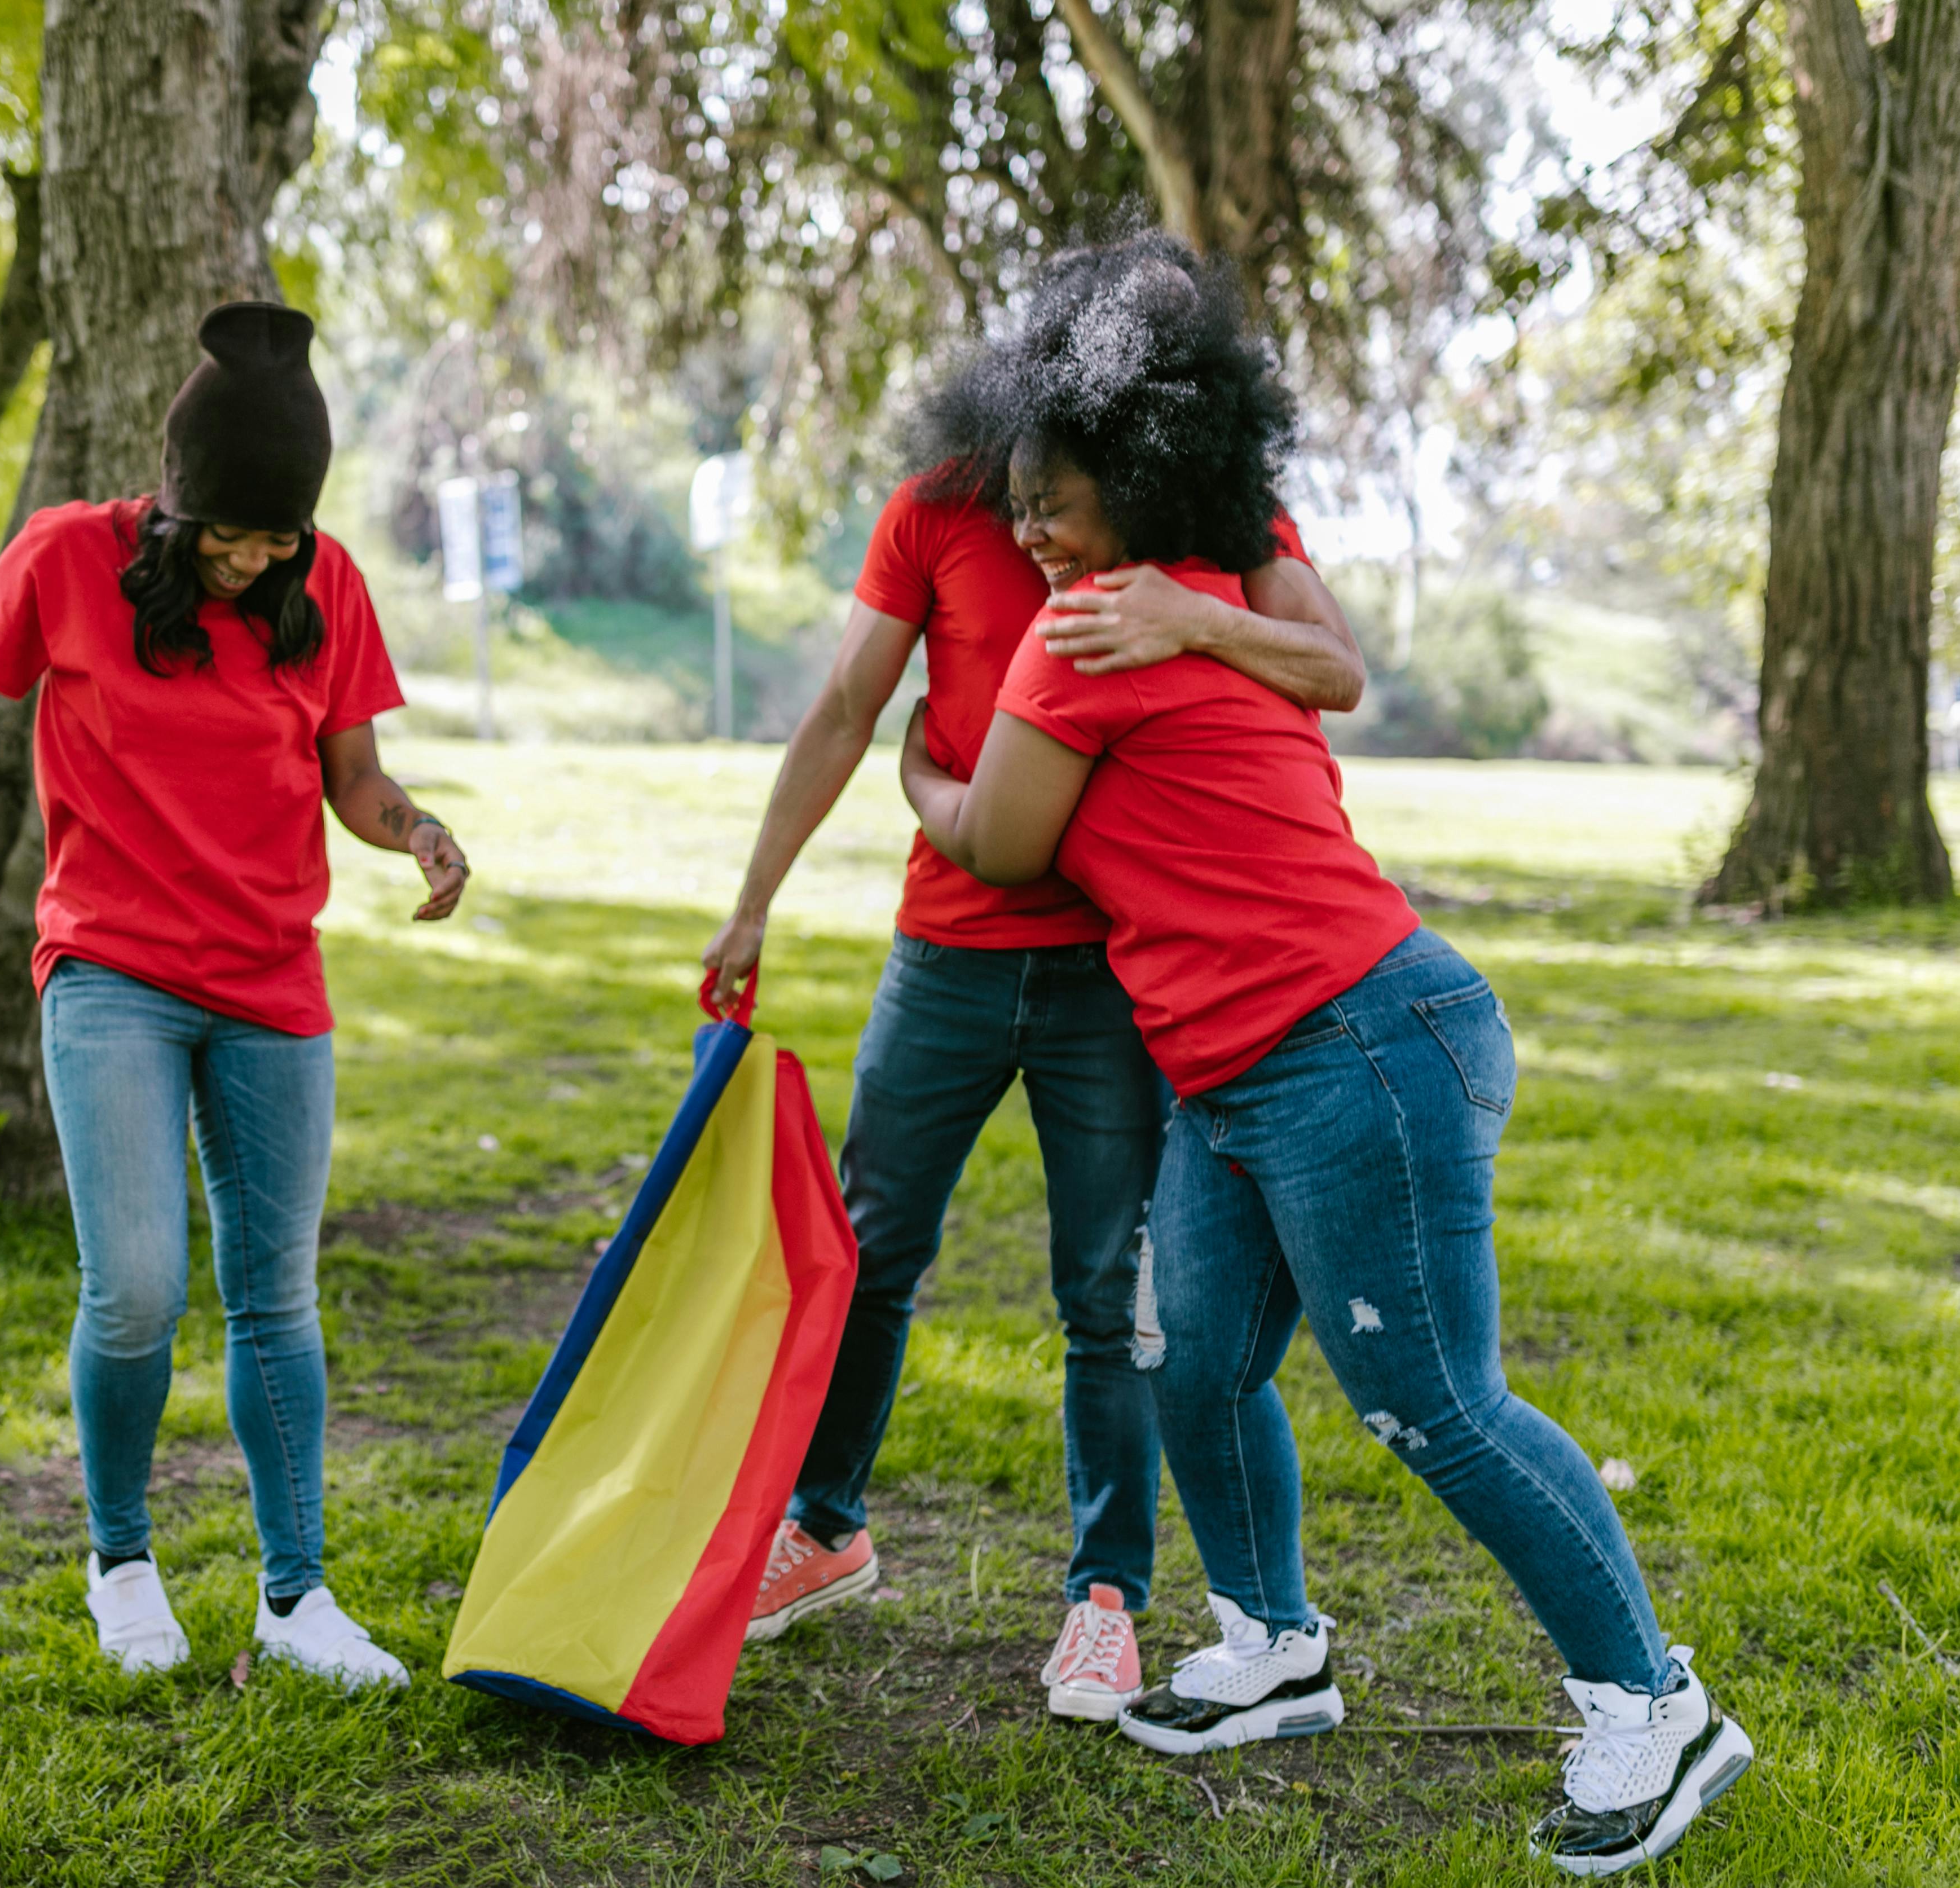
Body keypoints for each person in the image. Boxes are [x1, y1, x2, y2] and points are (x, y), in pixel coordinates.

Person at [900, 232, 1749, 1876]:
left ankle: (1651, 1700)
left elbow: (1000, 842)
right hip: (1249, 1068)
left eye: (1049, 501)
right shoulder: (1202, 602)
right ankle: (1268, 1644)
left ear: (1132, 494)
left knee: (1431, 1399)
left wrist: (918, 787)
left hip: (1350, 1047)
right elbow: (1313, 669)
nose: (1023, 529)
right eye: (1013, 500)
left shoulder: (1085, 635)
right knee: (1193, 1357)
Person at [703, 335, 1366, 1723]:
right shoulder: (940, 505)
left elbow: (1329, 669)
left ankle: (1105, 1600)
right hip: (943, 955)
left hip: (1112, 970)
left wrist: (1197, 620)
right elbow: (844, 708)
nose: (1029, 525)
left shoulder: (1209, 507)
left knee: (1106, 1294)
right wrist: (753, 903)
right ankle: (824, 1530)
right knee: (873, 1246)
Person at [0, 302, 468, 1692]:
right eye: (235, 536)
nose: (259, 560)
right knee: (137, 1286)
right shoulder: (65, 560)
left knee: (277, 1300)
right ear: (176, 505)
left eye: (282, 539)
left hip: (272, 980)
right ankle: (123, 1560)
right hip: (114, 975)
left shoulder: (323, 593)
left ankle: (296, 1596)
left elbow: (356, 780)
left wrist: (418, 830)